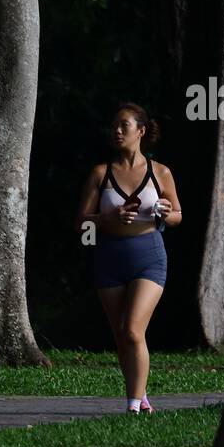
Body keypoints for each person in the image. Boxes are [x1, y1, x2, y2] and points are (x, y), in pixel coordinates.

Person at [74, 103, 181, 414]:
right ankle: (141, 394)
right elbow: (81, 223)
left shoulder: (160, 172)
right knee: (121, 335)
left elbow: (178, 215)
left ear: (141, 131)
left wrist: (165, 212)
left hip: (149, 256)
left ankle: (133, 406)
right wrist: (109, 218)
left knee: (133, 329)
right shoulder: (100, 173)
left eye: (124, 125)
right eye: (114, 126)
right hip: (108, 259)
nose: (117, 131)